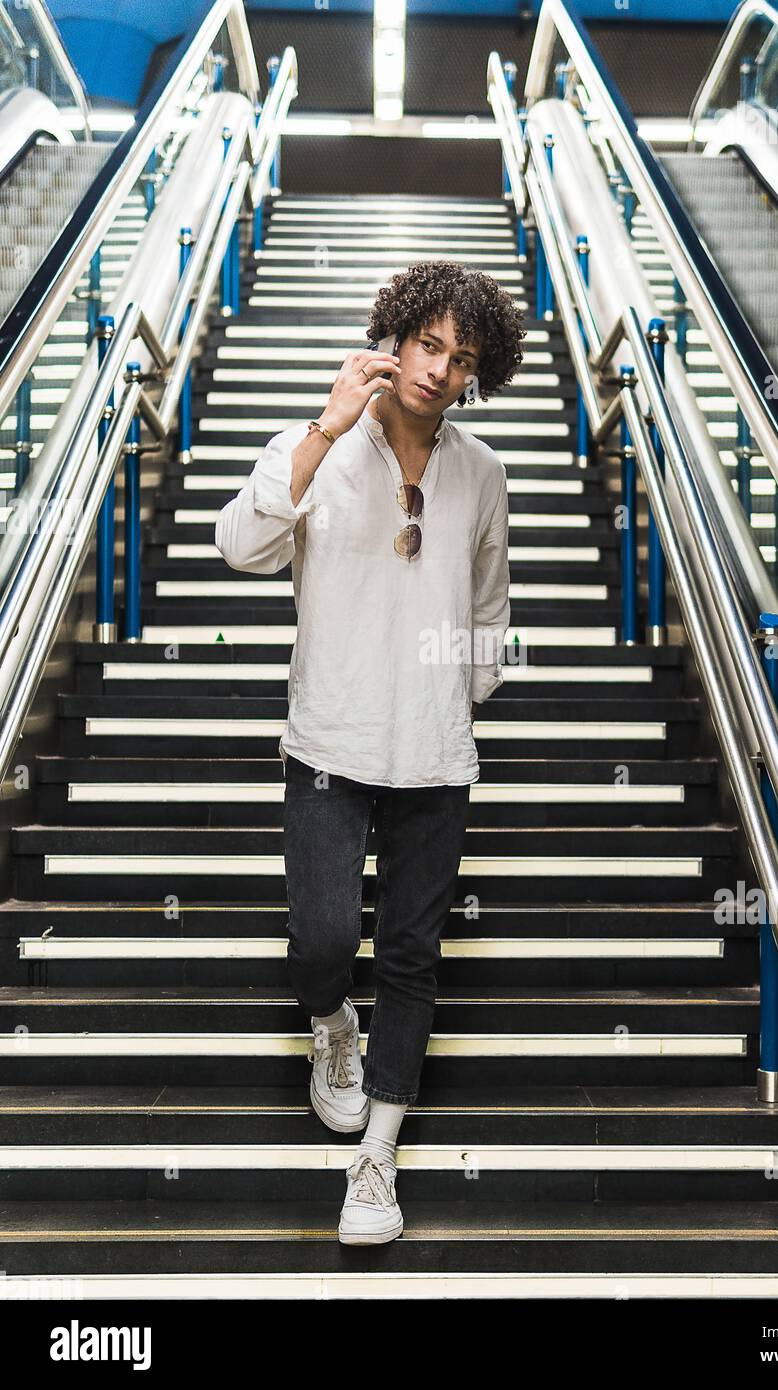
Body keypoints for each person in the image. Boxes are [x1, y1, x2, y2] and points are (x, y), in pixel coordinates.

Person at [215, 259, 524, 1244]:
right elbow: (239, 545)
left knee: (410, 954)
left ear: (477, 374)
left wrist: (462, 692)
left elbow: (489, 609)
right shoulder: (326, 448)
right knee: (319, 939)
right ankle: (329, 1023)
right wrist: (321, 428)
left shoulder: (481, 473)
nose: (438, 368)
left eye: (461, 356)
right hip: (328, 743)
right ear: (394, 338)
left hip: (434, 757)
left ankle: (377, 1160)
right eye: (427, 344)